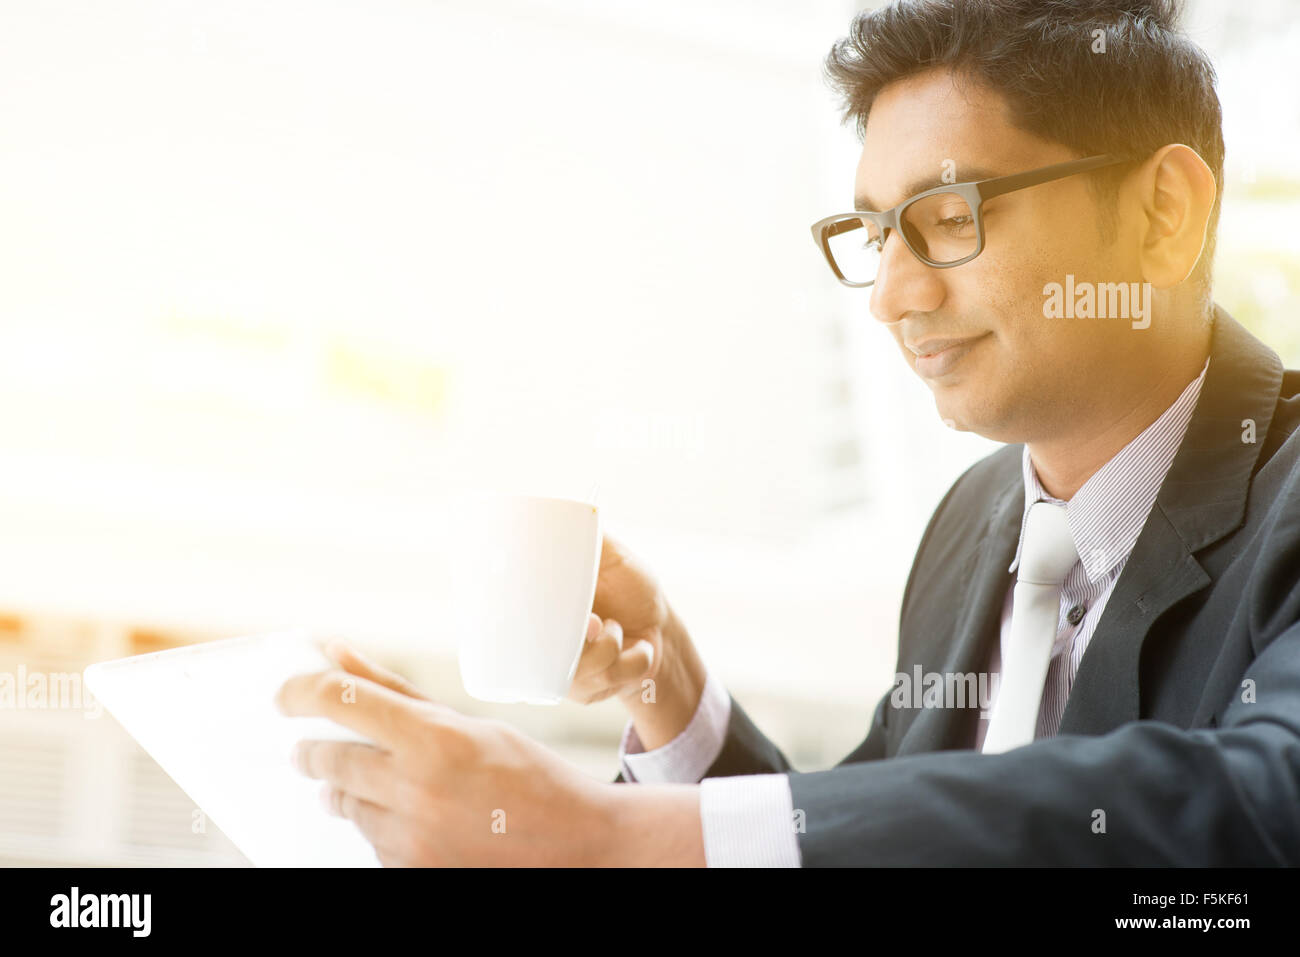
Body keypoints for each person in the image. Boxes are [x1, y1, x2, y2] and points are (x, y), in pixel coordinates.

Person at [276, 0, 1300, 865]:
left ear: (1163, 214)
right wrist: (674, 690)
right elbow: (872, 831)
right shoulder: (977, 523)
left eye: (948, 218)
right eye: (873, 234)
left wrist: (601, 833)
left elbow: (1258, 798)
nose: (891, 297)